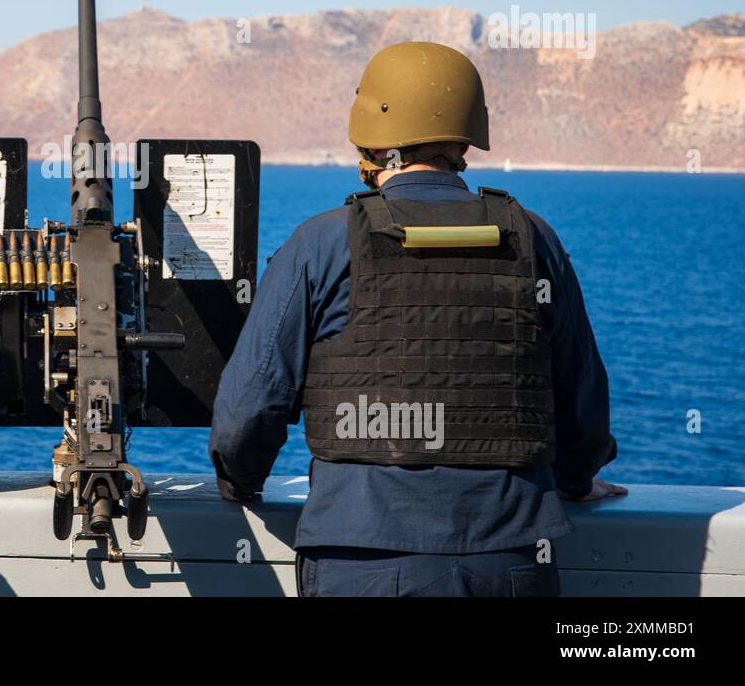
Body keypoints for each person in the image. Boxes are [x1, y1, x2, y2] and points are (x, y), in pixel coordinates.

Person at [209, 40, 624, 597]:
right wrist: (576, 481)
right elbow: (581, 398)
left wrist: (240, 482)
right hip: (509, 559)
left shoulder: (321, 243)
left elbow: (251, 407)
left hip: (359, 557)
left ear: (370, 135)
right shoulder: (532, 237)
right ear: (465, 136)